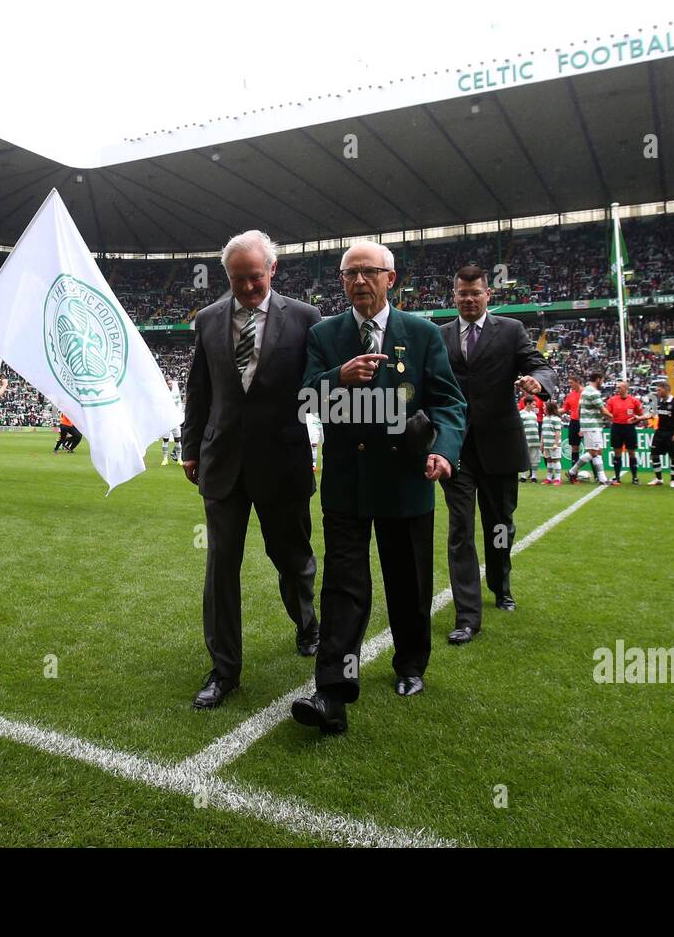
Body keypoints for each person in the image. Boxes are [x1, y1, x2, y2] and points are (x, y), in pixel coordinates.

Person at [290, 241, 465, 734]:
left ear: (392, 278)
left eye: (369, 272)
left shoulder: (423, 333)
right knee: (344, 587)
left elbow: (450, 403)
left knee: (408, 583)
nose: (359, 281)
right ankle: (332, 695)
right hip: (348, 483)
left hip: (407, 480)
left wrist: (444, 450)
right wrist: (337, 377)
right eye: (349, 274)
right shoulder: (325, 335)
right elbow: (306, 402)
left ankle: (410, 664)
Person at [181, 230, 323, 710]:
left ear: (273, 271)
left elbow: (319, 385)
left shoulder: (305, 318)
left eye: (255, 277)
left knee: (292, 558)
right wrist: (190, 447)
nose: (247, 288)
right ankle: (224, 670)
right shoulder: (208, 320)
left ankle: (307, 624)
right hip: (222, 465)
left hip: (282, 464)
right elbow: (198, 390)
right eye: (238, 279)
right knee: (221, 566)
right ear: (227, 276)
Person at [439, 265, 555, 645]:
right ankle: (467, 616)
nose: (468, 299)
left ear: (488, 295)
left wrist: (538, 383)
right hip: (457, 449)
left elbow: (539, 364)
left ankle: (501, 581)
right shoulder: (440, 336)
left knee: (500, 525)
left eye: (475, 293)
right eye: (462, 294)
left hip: (500, 447)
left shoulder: (511, 331)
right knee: (460, 530)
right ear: (453, 297)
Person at [567, 372, 610, 485]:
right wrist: (614, 418)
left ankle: (602, 478)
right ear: (598, 379)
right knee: (593, 452)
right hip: (592, 425)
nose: (602, 382)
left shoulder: (585, 391)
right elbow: (602, 410)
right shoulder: (593, 392)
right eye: (602, 380)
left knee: (597, 451)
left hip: (588, 425)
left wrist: (582, 425)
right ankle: (572, 471)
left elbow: (580, 410)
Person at [605, 380, 644, 485]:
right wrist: (611, 418)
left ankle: (635, 478)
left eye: (619, 387)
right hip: (617, 427)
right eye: (617, 387)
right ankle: (617, 477)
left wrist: (635, 420)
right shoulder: (612, 400)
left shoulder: (634, 401)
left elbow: (640, 415)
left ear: (626, 388)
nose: (617, 389)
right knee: (617, 452)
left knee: (631, 452)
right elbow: (607, 412)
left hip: (629, 428)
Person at [648, 381, 674, 488]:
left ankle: (673, 480)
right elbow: (651, 414)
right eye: (657, 390)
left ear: (666, 389)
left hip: (671, 433)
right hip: (659, 432)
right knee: (654, 454)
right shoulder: (658, 402)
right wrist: (639, 418)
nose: (657, 392)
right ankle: (659, 478)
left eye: (659, 390)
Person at [540, 400, 564, 486]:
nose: (543, 408)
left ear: (549, 408)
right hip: (546, 444)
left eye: (544, 406)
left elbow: (557, 432)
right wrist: (542, 443)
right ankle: (549, 478)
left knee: (555, 460)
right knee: (549, 460)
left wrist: (556, 444)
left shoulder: (556, 419)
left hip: (554, 445)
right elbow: (543, 432)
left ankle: (557, 479)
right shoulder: (545, 418)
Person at [161, 378, 183, 466]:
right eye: (168, 384)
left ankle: (179, 459)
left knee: (177, 440)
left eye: (170, 383)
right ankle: (165, 459)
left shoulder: (175, 394)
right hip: (166, 421)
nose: (169, 385)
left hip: (174, 421)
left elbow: (179, 405)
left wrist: (177, 415)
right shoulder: (163, 394)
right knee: (165, 440)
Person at [563, 376, 583, 469]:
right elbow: (565, 409)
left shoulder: (586, 393)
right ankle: (573, 473)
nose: (569, 385)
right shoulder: (570, 395)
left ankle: (597, 475)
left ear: (577, 382)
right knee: (574, 447)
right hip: (574, 422)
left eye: (571, 383)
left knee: (592, 450)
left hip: (586, 422)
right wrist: (552, 410)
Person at [520, 401, 541, 482]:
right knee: (524, 457)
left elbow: (536, 426)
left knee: (535, 458)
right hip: (525, 440)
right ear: (528, 404)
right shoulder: (521, 413)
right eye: (533, 404)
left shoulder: (534, 414)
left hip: (535, 440)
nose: (535, 406)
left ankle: (534, 476)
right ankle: (523, 476)